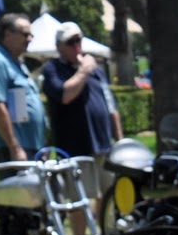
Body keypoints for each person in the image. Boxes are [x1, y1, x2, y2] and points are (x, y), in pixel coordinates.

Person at [41, 21, 122, 209]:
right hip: (75, 148)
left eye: (79, 40)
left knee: (108, 195)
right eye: (71, 42)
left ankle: (104, 234)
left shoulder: (98, 72)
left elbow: (111, 106)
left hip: (102, 145)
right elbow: (65, 95)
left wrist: (120, 141)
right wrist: (84, 69)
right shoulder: (53, 69)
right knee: (80, 200)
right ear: (59, 47)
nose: (77, 46)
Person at [0, 12, 47, 163]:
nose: (29, 39)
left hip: (31, 146)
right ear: (8, 34)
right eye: (25, 34)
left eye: (31, 35)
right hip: (14, 149)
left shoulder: (16, 63)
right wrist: (15, 148)